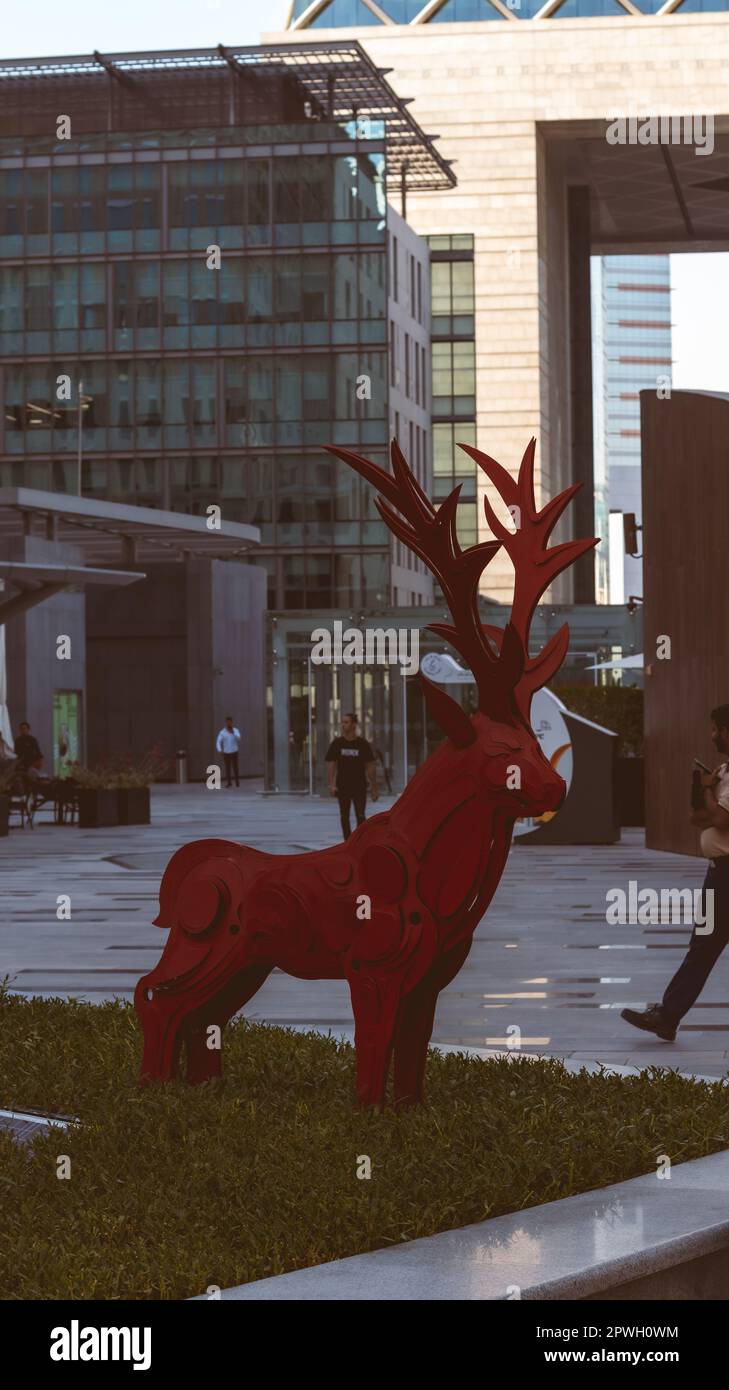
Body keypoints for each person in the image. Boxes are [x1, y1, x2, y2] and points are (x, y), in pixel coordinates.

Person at [622, 703, 729, 1043]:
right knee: (703, 946)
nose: (711, 735)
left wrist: (710, 790)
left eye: (715, 729)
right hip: (719, 875)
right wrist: (705, 789)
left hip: (726, 877)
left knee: (703, 947)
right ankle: (667, 1017)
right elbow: (700, 818)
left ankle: (667, 1015)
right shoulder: (724, 770)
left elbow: (721, 820)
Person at [325, 712, 378, 840]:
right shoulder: (337, 744)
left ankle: (359, 842)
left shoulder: (362, 744)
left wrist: (374, 787)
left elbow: (370, 766)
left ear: (354, 725)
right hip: (343, 786)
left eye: (346, 722)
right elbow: (332, 765)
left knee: (360, 815)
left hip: (359, 786)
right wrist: (331, 784)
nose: (343, 725)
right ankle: (347, 842)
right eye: (342, 722)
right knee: (344, 816)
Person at [216, 716, 241, 788]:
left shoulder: (235, 730)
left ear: (232, 722)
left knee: (235, 768)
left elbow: (239, 739)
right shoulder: (222, 732)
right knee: (227, 768)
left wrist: (233, 733)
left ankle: (237, 782)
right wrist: (219, 750)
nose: (229, 723)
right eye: (227, 722)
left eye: (230, 722)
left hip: (234, 751)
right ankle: (229, 782)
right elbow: (218, 741)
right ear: (226, 723)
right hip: (226, 752)